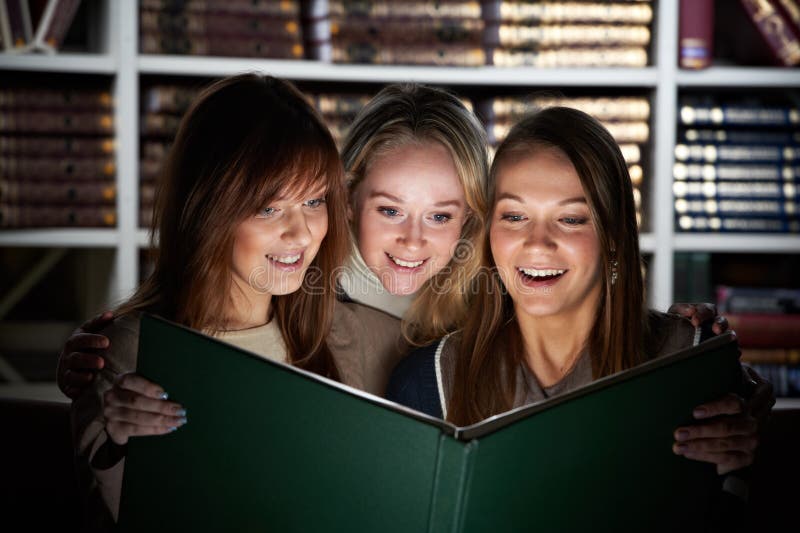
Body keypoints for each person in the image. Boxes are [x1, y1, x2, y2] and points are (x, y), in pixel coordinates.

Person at [58, 84, 732, 397]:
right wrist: (101, 365)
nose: (412, 241)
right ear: (347, 197)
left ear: (472, 219)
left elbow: (592, 320)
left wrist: (701, 355)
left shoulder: (497, 291)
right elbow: (205, 320)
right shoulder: (298, 289)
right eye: (389, 209)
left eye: (441, 216)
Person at [386, 107, 772, 506]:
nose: (537, 243)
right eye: (514, 216)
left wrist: (751, 462)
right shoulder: (428, 384)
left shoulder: (690, 361)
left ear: (613, 237)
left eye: (571, 219)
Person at [71, 73, 369, 530]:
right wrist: (120, 443)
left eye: (313, 202)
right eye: (269, 208)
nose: (301, 233)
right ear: (208, 210)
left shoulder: (343, 335)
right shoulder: (127, 354)